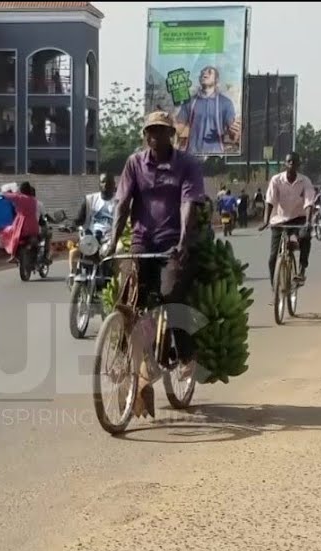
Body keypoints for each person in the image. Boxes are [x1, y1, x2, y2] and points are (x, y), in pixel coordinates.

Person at [111, 110, 205, 416]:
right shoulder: (135, 164)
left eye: (161, 130)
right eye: (150, 130)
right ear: (145, 135)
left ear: (171, 135)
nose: (155, 135)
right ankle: (135, 363)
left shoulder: (186, 165)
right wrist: (112, 243)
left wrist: (182, 241)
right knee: (130, 299)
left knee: (169, 295)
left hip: (174, 244)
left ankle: (187, 354)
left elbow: (188, 202)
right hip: (142, 241)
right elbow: (123, 203)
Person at [259, 151, 318, 286]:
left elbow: (309, 203)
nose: (291, 164)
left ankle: (301, 271)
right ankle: (275, 288)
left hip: (299, 218)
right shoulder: (276, 180)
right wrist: (266, 221)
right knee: (272, 258)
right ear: (285, 164)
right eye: (289, 161)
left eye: (294, 161)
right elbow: (270, 201)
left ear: (298, 164)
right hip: (279, 220)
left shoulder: (305, 181)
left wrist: (308, 222)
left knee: (305, 237)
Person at [174, 66, 241, 154]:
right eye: (202, 72)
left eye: (209, 72)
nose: (204, 74)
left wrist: (234, 132)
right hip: (192, 155)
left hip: (216, 156)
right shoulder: (190, 102)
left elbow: (233, 135)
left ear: (216, 80)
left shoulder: (226, 103)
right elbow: (178, 129)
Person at [71, 173, 117, 275]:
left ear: (114, 185)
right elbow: (79, 219)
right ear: (99, 184)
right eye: (102, 182)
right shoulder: (89, 199)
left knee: (120, 250)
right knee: (73, 253)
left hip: (110, 240)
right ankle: (73, 277)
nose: (105, 185)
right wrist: (72, 225)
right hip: (91, 238)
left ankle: (119, 283)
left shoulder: (119, 201)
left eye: (108, 182)